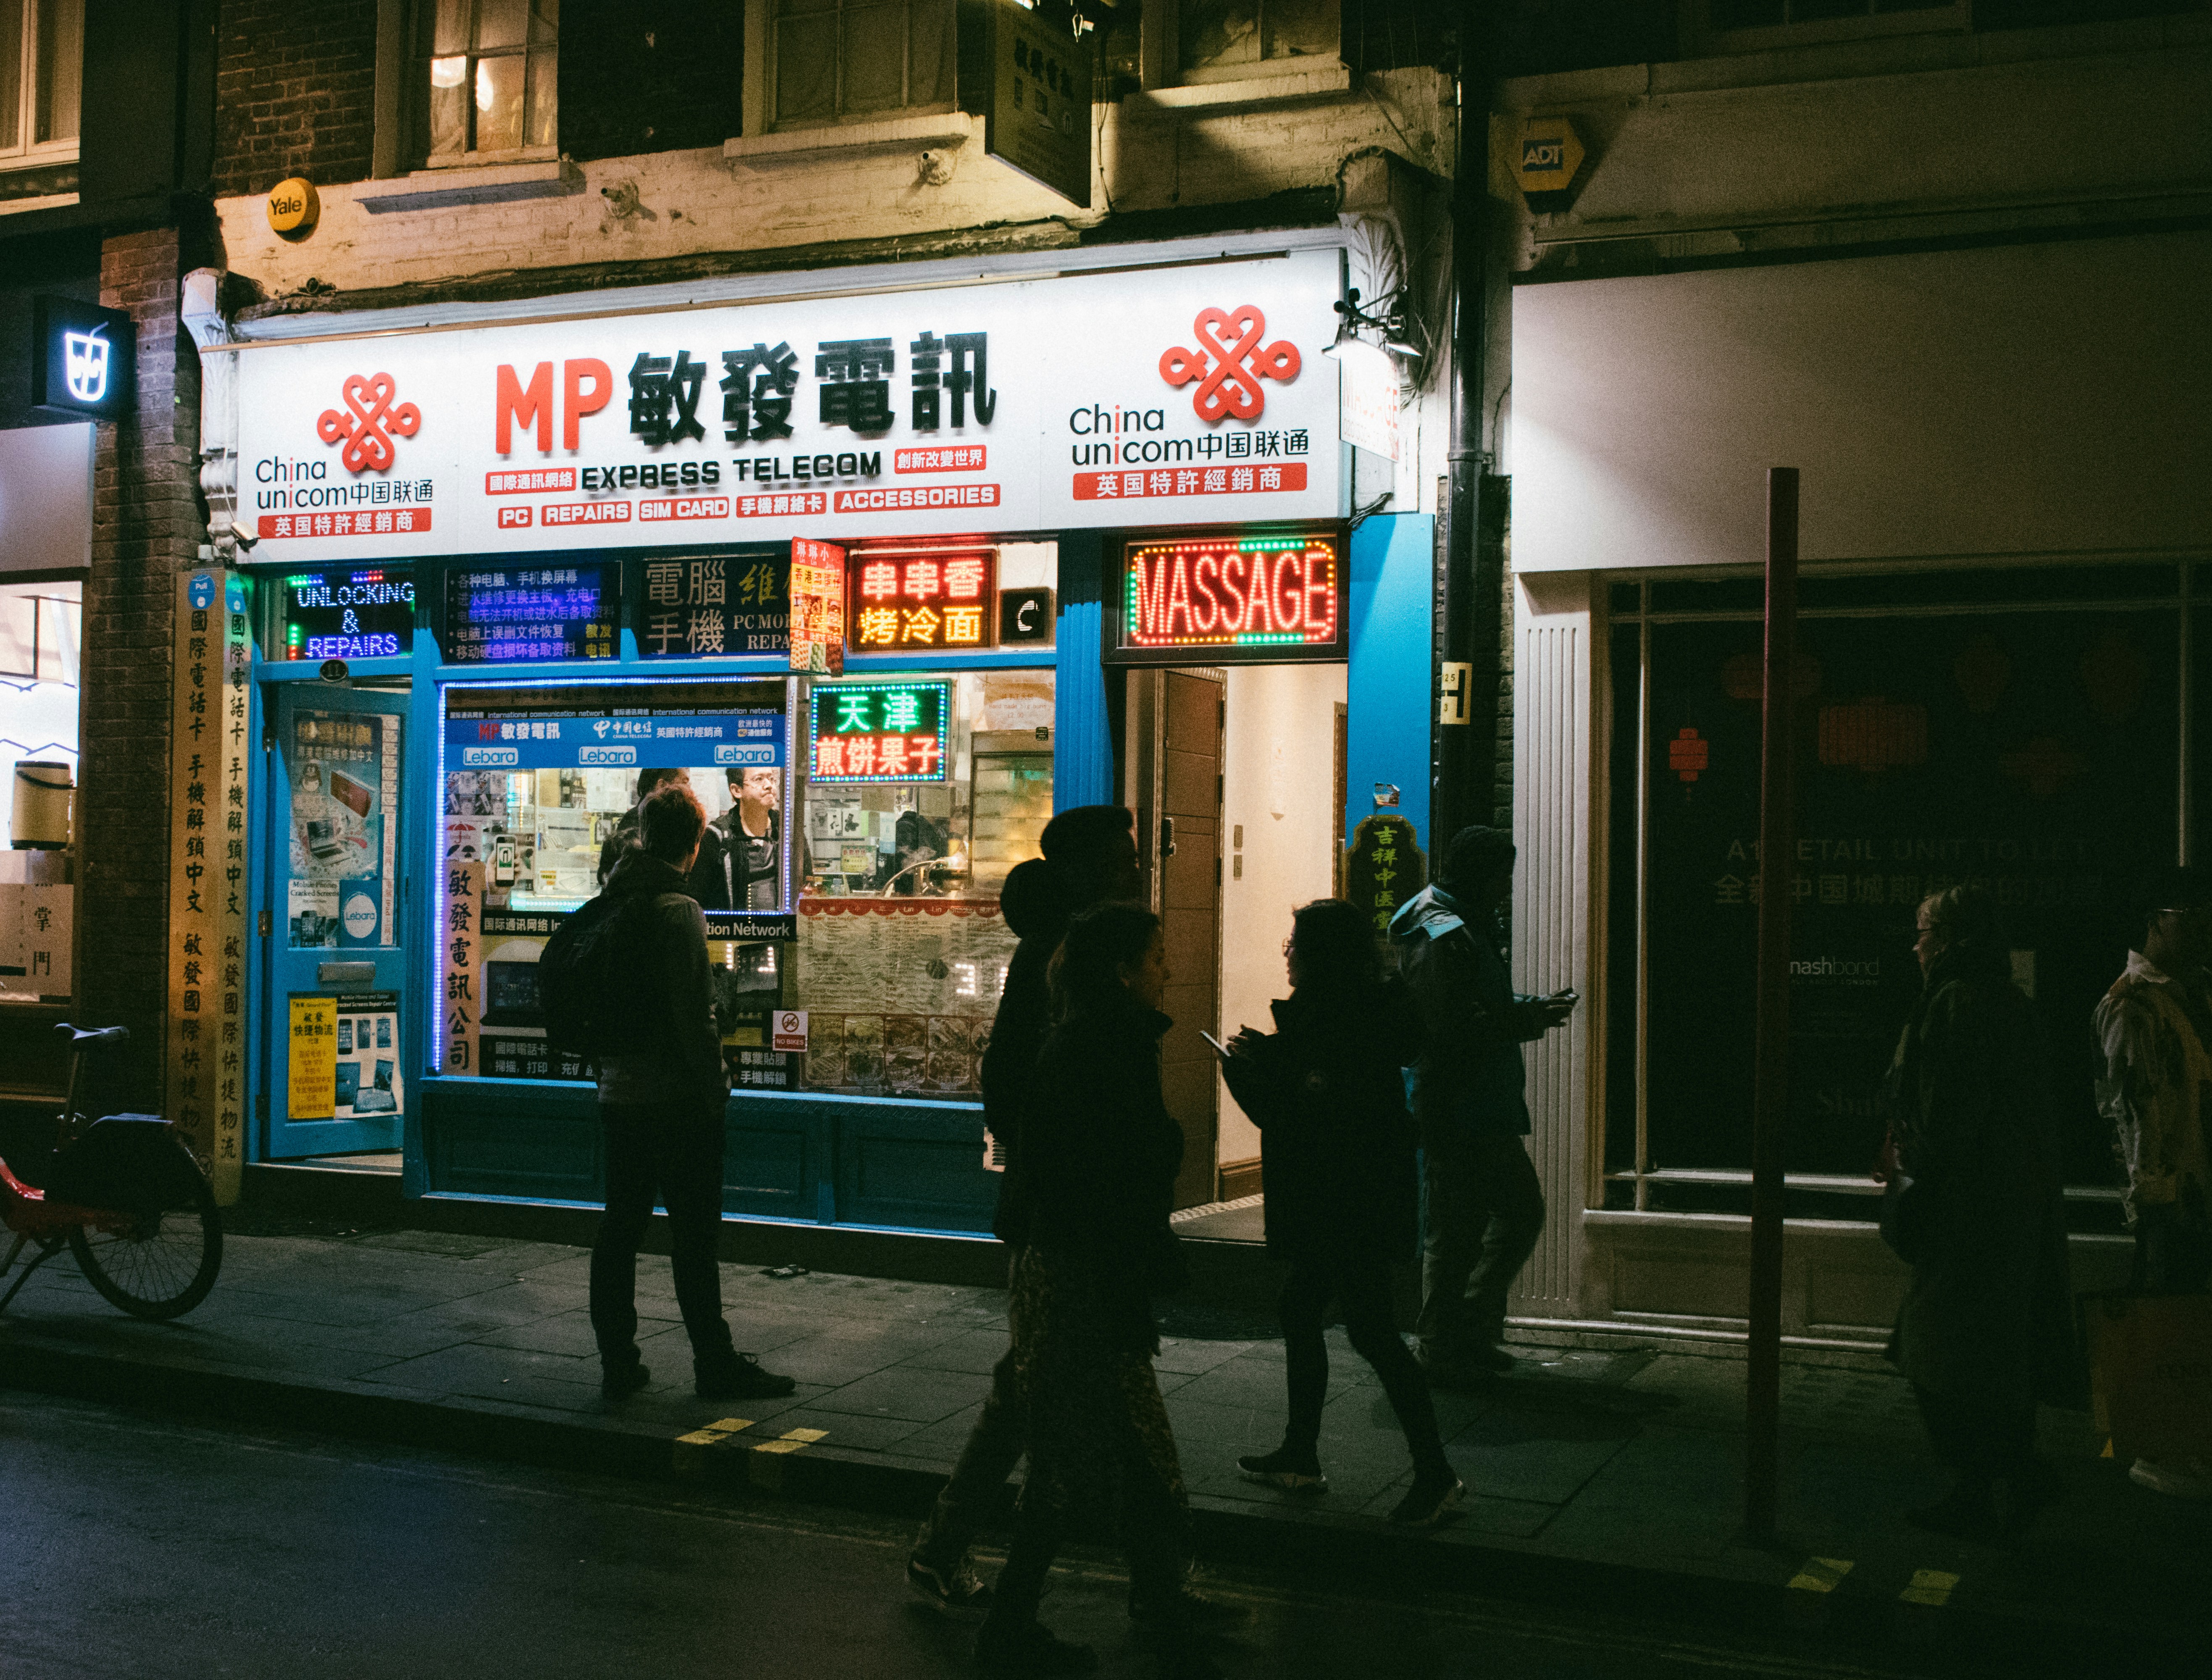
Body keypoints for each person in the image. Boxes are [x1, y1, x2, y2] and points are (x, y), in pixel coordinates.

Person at [975, 903, 1221, 1680]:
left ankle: (1141, 1618)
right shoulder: (1098, 1049)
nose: (1167, 970)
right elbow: (1099, 1186)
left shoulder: (1096, 1041)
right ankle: (1143, 1626)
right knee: (1105, 1461)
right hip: (1081, 1282)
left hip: (1080, 1277)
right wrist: (1122, 1289)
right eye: (1155, 957)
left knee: (1107, 1459)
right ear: (1120, 970)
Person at [906, 806, 1140, 1618]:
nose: (1135, 868)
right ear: (1080, 869)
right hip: (1061, 1219)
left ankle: (1157, 1583)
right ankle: (995, 1585)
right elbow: (1007, 1084)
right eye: (1120, 857)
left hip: (1072, 1215)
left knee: (1057, 1392)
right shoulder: (1057, 956)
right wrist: (1056, 1169)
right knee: (1053, 1398)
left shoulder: (1093, 951)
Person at [1221, 898, 1464, 1527]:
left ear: (1321, 953)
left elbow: (1304, 1106)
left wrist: (1246, 1074)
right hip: (1356, 1196)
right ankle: (1300, 1452)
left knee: (1373, 1333)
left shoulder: (1335, 1019)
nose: (1287, 951)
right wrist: (1269, 1060)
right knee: (1301, 1309)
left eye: (1296, 941)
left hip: (1342, 1201)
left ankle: (1434, 1474)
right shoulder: (1364, 1009)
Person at [587, 780, 794, 1403]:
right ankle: (714, 1361)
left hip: (617, 1093)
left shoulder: (612, 899)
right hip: (675, 1099)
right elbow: (693, 1016)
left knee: (619, 1229)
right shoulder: (677, 910)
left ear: (643, 836)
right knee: (694, 1239)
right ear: (697, 844)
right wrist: (717, 1089)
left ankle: (618, 1361)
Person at [1881, 885, 2075, 1538]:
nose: (1916, 945)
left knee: (1934, 1348)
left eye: (1923, 933)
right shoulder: (2004, 998)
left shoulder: (1956, 1002)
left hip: (1968, 1209)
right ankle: (2011, 1474)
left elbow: (1947, 1117)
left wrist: (1915, 1170)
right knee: (1994, 1351)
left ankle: (1986, 1481)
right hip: (2009, 1205)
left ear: (1951, 938)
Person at [1388, 825, 1575, 1385]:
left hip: (1481, 1100)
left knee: (1507, 1216)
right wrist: (1522, 1018)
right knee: (1458, 1228)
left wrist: (1527, 1008)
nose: (1505, 888)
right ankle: (1444, 1345)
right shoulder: (1438, 923)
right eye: (1502, 875)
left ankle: (1465, 1332)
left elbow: (1476, 1003)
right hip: (1456, 1101)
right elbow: (1446, 1020)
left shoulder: (1460, 920)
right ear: (1477, 872)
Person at [2092, 867, 2212, 1500]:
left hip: (2191, 1190)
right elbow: (2132, 1111)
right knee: (2166, 1315)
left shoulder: (2187, 992)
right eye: (2189, 918)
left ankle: (2176, 1440)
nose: (2203, 930)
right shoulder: (2132, 1002)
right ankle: (2157, 1447)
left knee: (2181, 1317)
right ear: (2156, 922)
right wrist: (2154, 1199)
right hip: (2174, 1197)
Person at [597, 767, 729, 909]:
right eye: (685, 783)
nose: (690, 790)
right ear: (663, 785)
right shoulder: (640, 824)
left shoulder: (657, 821)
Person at [714, 765, 782, 911]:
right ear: (737, 791)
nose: (769, 786)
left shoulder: (786, 829)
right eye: (759, 779)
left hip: (780, 929)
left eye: (772, 779)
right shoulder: (717, 835)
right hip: (733, 929)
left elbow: (806, 883)